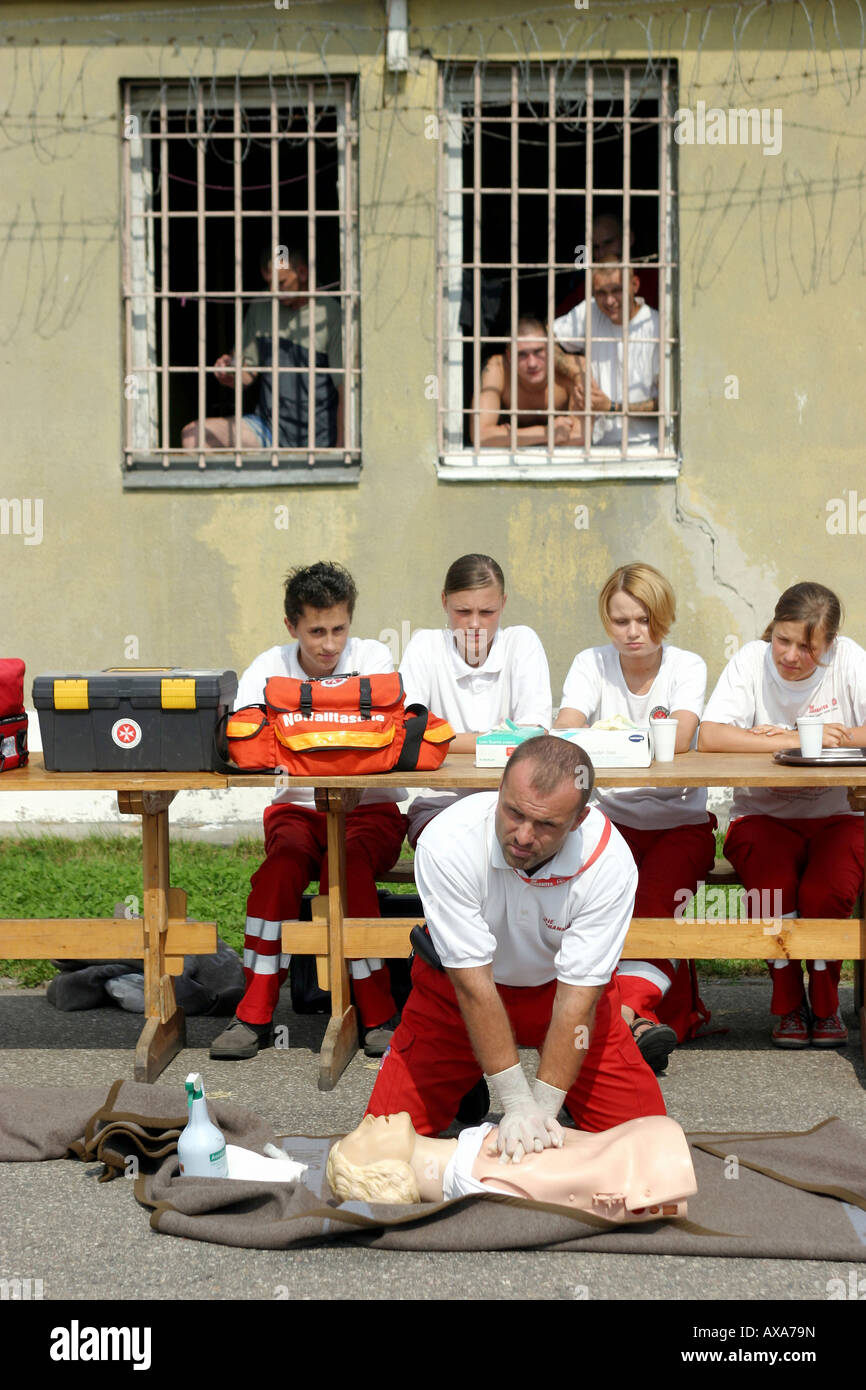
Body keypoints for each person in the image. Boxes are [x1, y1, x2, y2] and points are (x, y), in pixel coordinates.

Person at [365, 736, 666, 1144]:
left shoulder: (609, 861)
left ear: (578, 820)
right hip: (456, 997)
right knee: (379, 1147)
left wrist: (541, 1112)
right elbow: (473, 986)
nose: (523, 836)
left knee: (649, 1144)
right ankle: (467, 1070)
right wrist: (516, 1102)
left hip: (565, 998)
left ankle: (489, 1075)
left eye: (546, 825)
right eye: (514, 812)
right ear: (499, 790)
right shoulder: (448, 840)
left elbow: (577, 1002)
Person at [209, 562, 406, 1061]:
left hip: (370, 810)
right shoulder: (268, 667)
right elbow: (244, 745)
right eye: (316, 631)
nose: (330, 644)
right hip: (296, 812)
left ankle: (377, 1014)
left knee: (349, 871)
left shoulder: (374, 657)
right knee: (276, 875)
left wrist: (297, 741)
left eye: (339, 628)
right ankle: (253, 1013)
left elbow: (390, 740)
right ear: (291, 626)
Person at [554, 563, 716, 1073]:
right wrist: (603, 737)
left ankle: (622, 1015)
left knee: (655, 899)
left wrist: (605, 739)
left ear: (663, 617)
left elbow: (681, 737)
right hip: (611, 818)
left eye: (643, 620)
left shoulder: (686, 665)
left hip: (679, 819)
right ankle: (636, 1019)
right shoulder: (590, 663)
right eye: (620, 620)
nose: (632, 632)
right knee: (593, 903)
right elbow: (566, 731)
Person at [698, 582, 866, 1048]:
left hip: (839, 814)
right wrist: (794, 739)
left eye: (807, 647)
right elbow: (711, 735)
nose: (791, 656)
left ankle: (826, 1001)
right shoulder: (751, 661)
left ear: (829, 643)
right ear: (772, 629)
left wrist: (835, 733)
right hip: (762, 815)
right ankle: (788, 1000)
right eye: (783, 640)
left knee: (827, 891)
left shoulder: (850, 659)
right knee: (772, 888)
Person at [399, 553, 552, 846]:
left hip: (513, 806)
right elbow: (410, 735)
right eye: (463, 611)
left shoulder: (522, 642)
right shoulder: (425, 646)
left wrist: (443, 739)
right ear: (444, 602)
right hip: (441, 804)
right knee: (461, 847)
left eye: (487, 612)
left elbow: (534, 738)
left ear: (503, 604)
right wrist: (500, 740)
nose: (474, 624)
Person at [327, 1110, 696, 1217]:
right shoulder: (481, 1175)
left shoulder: (473, 1159)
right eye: (361, 1136)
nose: (367, 1120)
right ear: (385, 1172)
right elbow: (572, 1183)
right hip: (649, 1165)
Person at [181, 245, 343, 451]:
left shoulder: (330, 313)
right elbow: (247, 372)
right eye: (269, 284)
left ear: (303, 273)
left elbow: (345, 387)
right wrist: (230, 372)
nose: (274, 292)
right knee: (193, 436)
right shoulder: (262, 304)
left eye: (281, 283)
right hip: (269, 428)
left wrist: (341, 448)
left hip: (319, 435)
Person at [553, 255, 659, 448]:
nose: (609, 301)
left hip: (649, 444)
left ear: (635, 285)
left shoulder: (655, 325)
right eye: (601, 293)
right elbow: (545, 338)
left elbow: (667, 403)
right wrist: (576, 370)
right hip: (598, 444)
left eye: (617, 290)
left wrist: (612, 407)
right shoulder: (590, 310)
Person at [471, 313, 585, 448]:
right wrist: (547, 433)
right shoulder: (497, 369)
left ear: (551, 350)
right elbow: (480, 436)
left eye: (538, 351)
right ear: (509, 356)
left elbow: (580, 438)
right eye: (522, 354)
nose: (532, 363)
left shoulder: (573, 370)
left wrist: (507, 437)